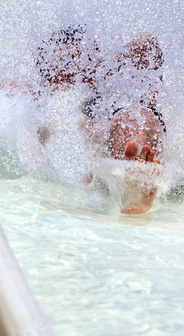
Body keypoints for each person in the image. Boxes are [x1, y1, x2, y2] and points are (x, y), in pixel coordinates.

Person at [22, 26, 166, 212]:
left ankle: (139, 170)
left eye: (76, 60)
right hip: (83, 129)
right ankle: (135, 178)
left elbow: (147, 41)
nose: (71, 69)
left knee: (133, 122)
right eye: (63, 64)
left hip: (134, 117)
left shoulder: (112, 79)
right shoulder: (48, 98)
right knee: (74, 123)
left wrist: (117, 56)